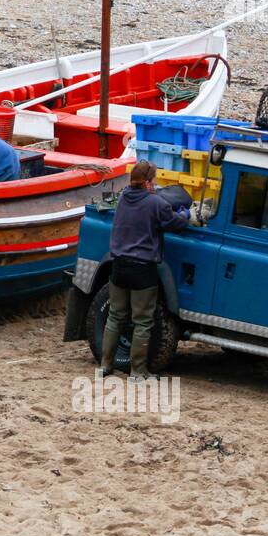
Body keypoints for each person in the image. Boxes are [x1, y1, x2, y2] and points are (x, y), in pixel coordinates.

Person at [99, 160, 189, 379]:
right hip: (142, 269)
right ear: (149, 183)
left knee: (115, 316)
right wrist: (187, 214)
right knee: (143, 321)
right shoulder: (156, 204)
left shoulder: (122, 199)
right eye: (154, 179)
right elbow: (176, 224)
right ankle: (138, 371)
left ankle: (105, 365)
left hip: (118, 265)